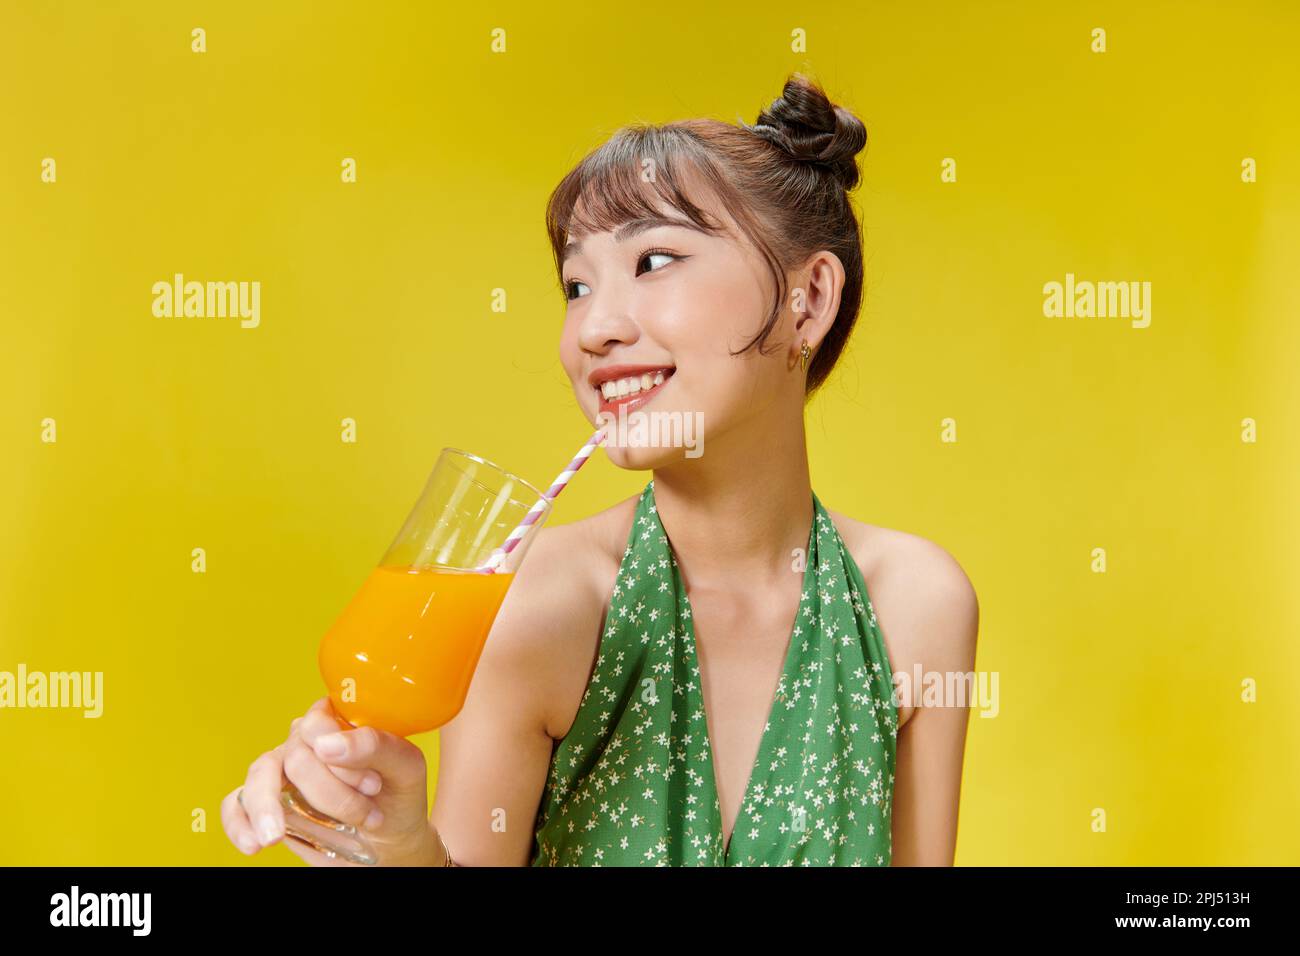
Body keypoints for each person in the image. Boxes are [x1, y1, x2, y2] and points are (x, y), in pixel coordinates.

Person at [222, 72, 979, 867]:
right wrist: (394, 844)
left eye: (654, 260)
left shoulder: (915, 605)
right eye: (577, 286)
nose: (594, 329)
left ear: (809, 300)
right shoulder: (537, 603)